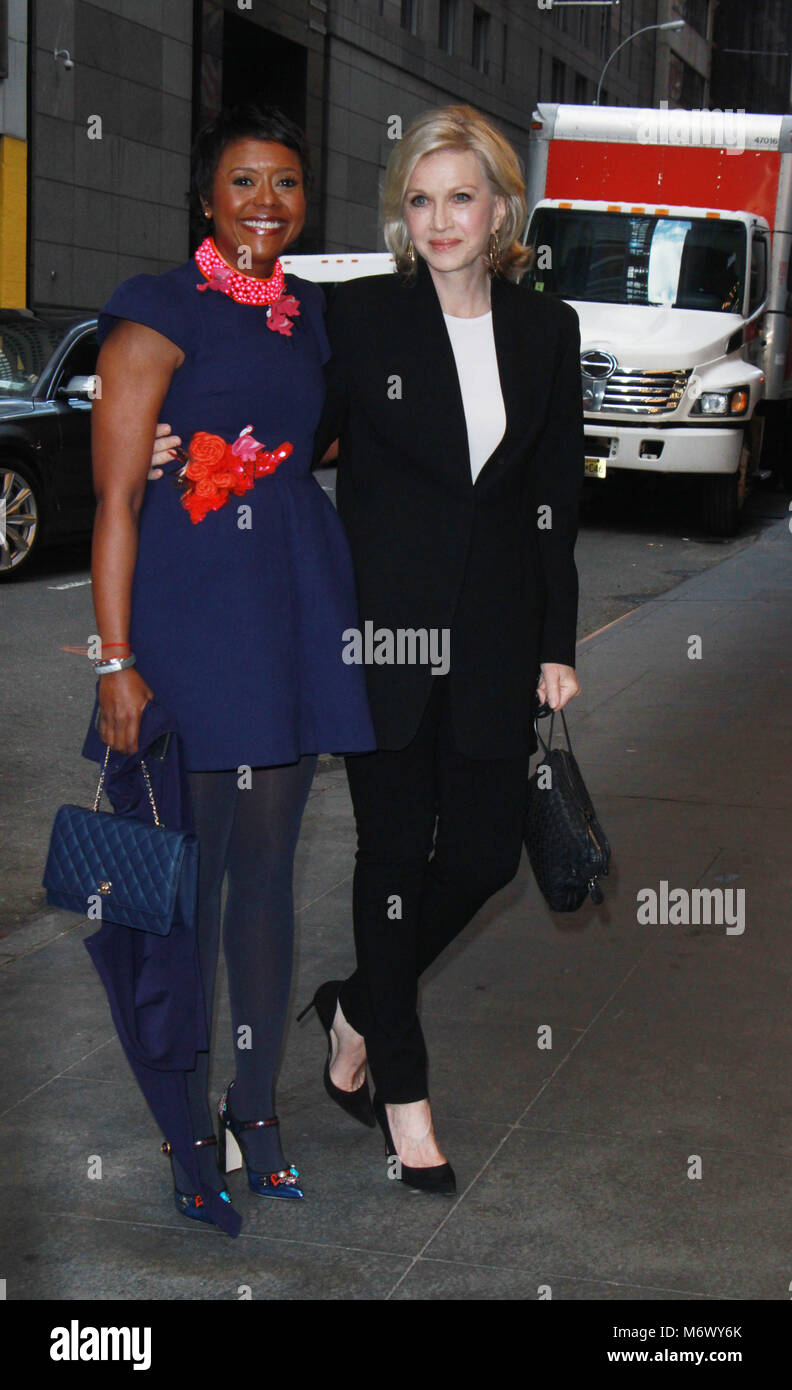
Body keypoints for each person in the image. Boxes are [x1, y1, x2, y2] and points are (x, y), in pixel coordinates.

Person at [151, 104, 583, 1195]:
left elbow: (553, 497)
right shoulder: (363, 316)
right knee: (391, 856)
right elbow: (281, 419)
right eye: (420, 200)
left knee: (482, 858)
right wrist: (167, 433)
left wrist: (556, 640)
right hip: (382, 633)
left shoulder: (547, 328)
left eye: (461, 198)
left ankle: (353, 1005)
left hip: (496, 638)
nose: (439, 220)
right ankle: (403, 1091)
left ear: (500, 210)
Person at [90, 102, 375, 1229]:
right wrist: (117, 659)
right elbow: (116, 500)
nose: (267, 202)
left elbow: (322, 435)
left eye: (286, 184)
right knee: (187, 893)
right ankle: (187, 1125)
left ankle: (256, 1110)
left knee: (267, 880)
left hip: (288, 613)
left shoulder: (312, 316)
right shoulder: (156, 309)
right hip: (190, 624)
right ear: (207, 195)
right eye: (245, 181)